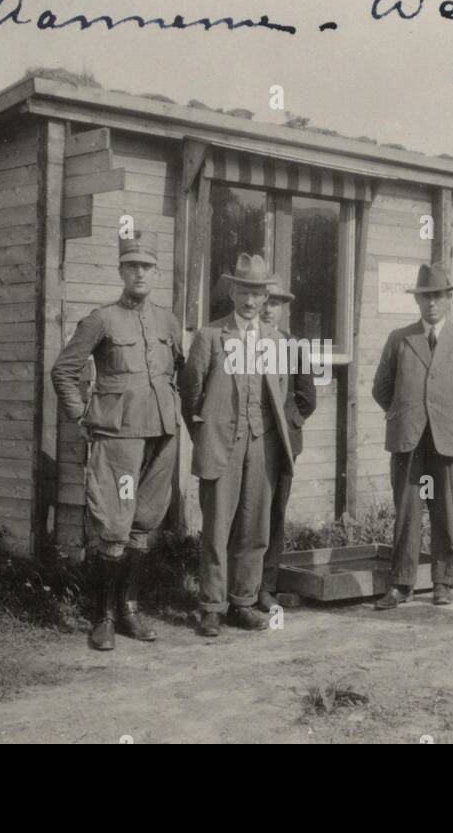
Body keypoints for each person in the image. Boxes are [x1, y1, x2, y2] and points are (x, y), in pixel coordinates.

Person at [51, 230, 183, 651]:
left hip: (162, 435)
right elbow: (63, 372)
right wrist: (83, 416)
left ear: (157, 272)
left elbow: (176, 372)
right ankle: (102, 616)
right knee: (114, 526)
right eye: (132, 266)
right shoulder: (101, 319)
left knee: (144, 524)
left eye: (147, 266)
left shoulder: (168, 320)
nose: (140, 273)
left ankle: (129, 610)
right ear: (121, 271)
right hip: (118, 436)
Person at [180, 254, 295, 636]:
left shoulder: (276, 340)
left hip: (262, 444)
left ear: (266, 297)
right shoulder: (211, 337)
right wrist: (205, 430)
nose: (250, 300)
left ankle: (243, 602)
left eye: (257, 293)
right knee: (216, 527)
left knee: (255, 526)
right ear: (231, 291)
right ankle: (212, 606)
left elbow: (279, 392)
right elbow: (190, 391)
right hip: (221, 442)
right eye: (244, 290)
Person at [371, 264, 453, 609]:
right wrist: (404, 412)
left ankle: (443, 581)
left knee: (444, 509)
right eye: (425, 297)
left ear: (449, 299)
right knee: (407, 511)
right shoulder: (400, 339)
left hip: (446, 441)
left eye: (438, 296)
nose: (432, 304)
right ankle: (401, 584)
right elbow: (381, 388)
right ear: (418, 301)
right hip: (408, 440)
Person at [258, 277, 317, 611]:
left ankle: (266, 585)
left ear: (282, 309)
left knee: (275, 512)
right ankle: (239, 585)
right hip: (250, 440)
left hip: (284, 444)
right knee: (247, 513)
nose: (268, 309)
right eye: (265, 301)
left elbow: (308, 398)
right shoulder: (243, 343)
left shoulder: (294, 345)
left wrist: (287, 424)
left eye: (275, 303)